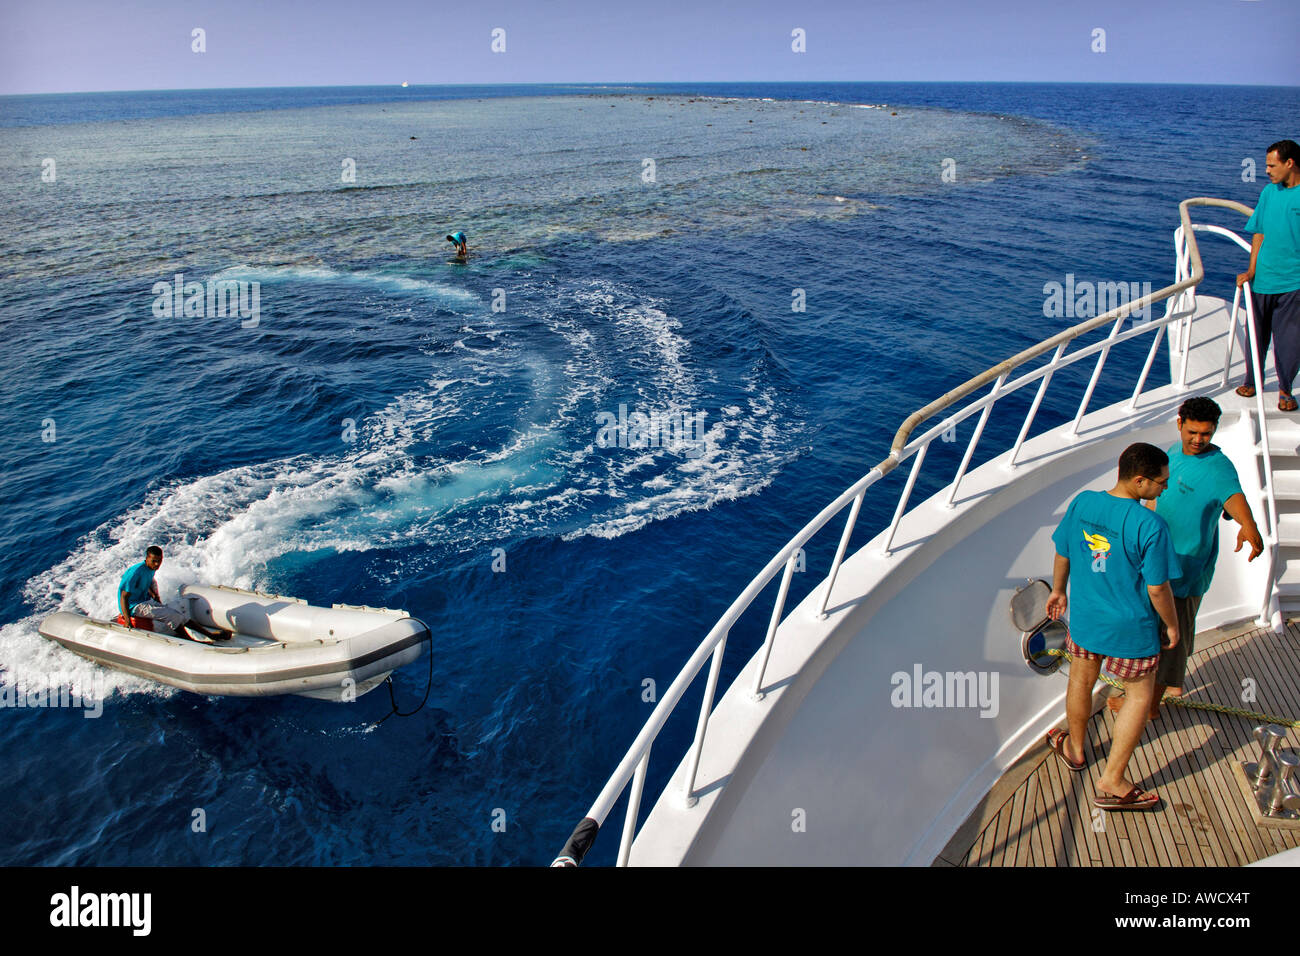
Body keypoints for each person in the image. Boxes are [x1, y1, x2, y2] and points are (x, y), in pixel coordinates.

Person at [1108, 397, 1264, 719]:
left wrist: (1248, 525)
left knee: (1171, 640)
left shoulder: (1219, 467)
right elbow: (1155, 499)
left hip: (1186, 573)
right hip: (1155, 564)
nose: (1198, 439)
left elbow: (1234, 497)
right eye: (1192, 431)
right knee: (1158, 633)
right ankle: (1159, 688)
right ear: (1180, 424)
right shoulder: (1171, 455)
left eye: (1206, 434)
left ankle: (1149, 706)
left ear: (1214, 431)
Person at [1044, 442, 1180, 812]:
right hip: (1130, 630)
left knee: (1081, 681)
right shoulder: (1150, 524)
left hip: (1087, 620)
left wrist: (1058, 591)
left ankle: (1074, 748)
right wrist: (1171, 625)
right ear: (1139, 481)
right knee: (1137, 697)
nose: (1164, 488)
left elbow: (1064, 550)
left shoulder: (1083, 502)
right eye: (1160, 483)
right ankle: (1112, 781)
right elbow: (1157, 587)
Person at [1236, 139, 1300, 412]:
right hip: (1262, 278)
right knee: (1255, 335)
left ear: (1290, 163)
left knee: (1290, 340)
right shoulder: (1268, 192)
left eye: (1272, 165)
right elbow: (1259, 232)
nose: (1266, 170)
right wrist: (1251, 270)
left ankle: (1285, 389)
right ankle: (1253, 380)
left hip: (1294, 282)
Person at [119, 546, 227, 642]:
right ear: (147, 558)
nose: (157, 564)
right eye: (154, 561)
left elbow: (146, 582)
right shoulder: (135, 572)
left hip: (144, 600)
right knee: (171, 615)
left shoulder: (150, 568)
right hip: (133, 606)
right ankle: (190, 641)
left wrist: (154, 595)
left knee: (180, 616)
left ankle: (211, 635)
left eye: (159, 561)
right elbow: (124, 597)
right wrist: (127, 620)